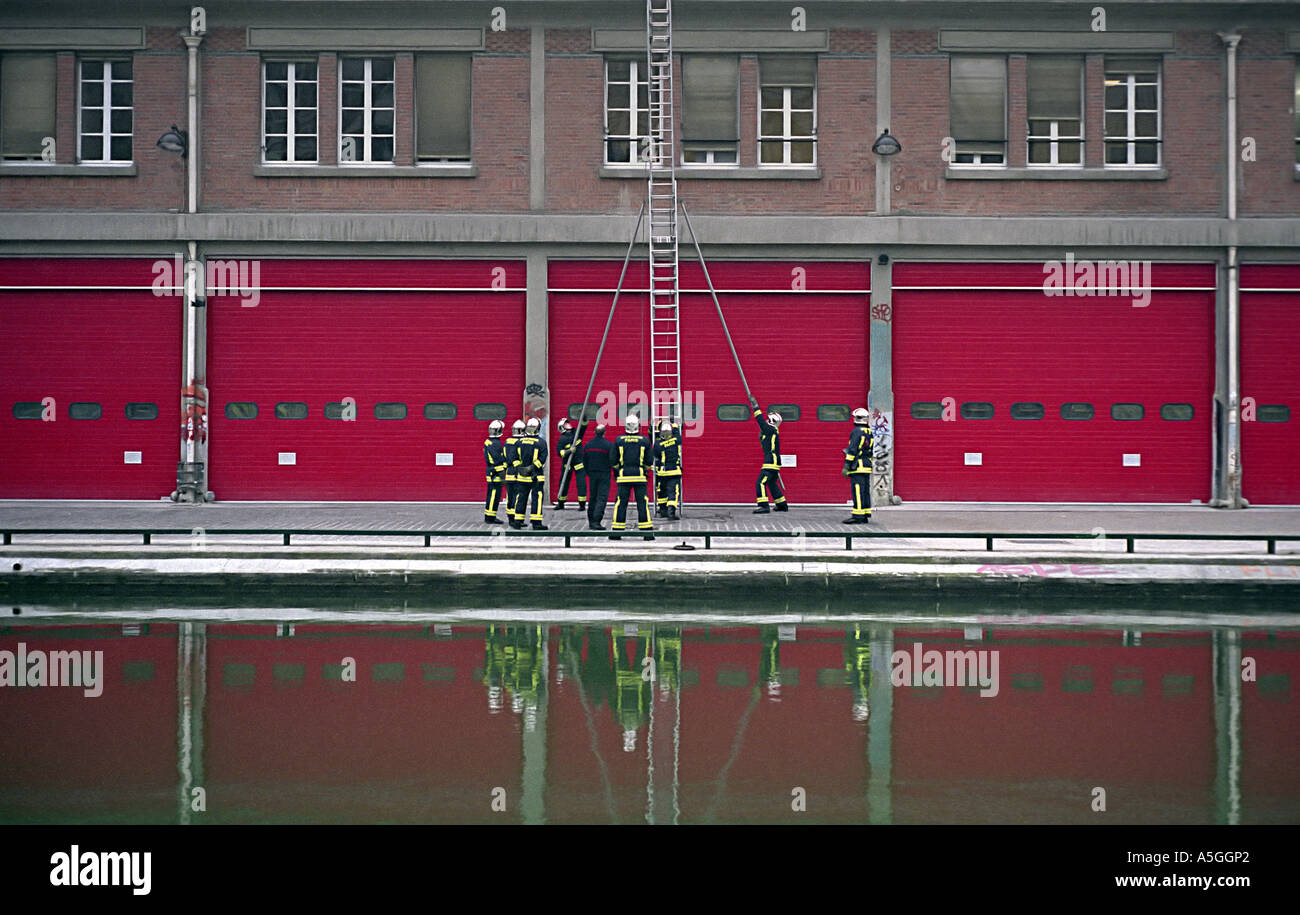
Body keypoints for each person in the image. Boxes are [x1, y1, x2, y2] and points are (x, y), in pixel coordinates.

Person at [611, 415, 654, 540]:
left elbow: (613, 460)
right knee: (643, 503)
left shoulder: (619, 440)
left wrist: (618, 470)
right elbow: (649, 461)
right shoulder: (644, 440)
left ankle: (617, 531)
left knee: (620, 503)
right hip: (640, 477)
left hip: (623, 477)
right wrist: (644, 470)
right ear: (638, 425)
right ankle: (646, 532)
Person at [750, 397, 788, 513]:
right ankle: (782, 504)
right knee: (771, 483)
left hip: (771, 462)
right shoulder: (771, 432)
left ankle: (764, 506)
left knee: (761, 482)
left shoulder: (770, 429)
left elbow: (760, 421)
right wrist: (761, 436)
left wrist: (755, 407)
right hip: (774, 462)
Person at [513, 417, 548, 530]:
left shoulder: (519, 442)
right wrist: (532, 467)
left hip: (522, 477)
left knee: (521, 498)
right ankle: (536, 522)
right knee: (537, 499)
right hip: (536, 476)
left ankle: (517, 521)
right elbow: (542, 458)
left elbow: (514, 458)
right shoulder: (541, 442)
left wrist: (520, 468)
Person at [581, 423, 616, 530]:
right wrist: (615, 473)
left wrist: (588, 472)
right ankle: (596, 521)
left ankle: (591, 520)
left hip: (592, 474)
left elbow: (584, 461)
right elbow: (613, 460)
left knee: (593, 497)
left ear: (594, 432)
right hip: (604, 474)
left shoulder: (588, 445)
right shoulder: (609, 445)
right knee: (601, 498)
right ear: (604, 433)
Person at [843, 407, 874, 524]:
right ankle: (865, 513)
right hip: (866, 465)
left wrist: (847, 465)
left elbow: (852, 450)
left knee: (857, 490)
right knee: (865, 491)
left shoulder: (856, 432)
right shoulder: (869, 431)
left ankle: (858, 516)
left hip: (857, 466)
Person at [554, 417, 589, 511]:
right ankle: (561, 503)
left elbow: (583, 428)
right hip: (567, 465)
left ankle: (582, 504)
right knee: (564, 483)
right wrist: (569, 451)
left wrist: (584, 419)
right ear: (562, 427)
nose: (568, 424)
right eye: (565, 424)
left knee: (581, 484)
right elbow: (560, 452)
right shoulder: (562, 439)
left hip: (578, 464)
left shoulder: (576, 434)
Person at [652, 420, 682, 520]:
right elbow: (677, 432)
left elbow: (655, 455)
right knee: (673, 491)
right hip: (674, 471)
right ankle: (671, 512)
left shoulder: (657, 444)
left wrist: (659, 424)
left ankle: (663, 510)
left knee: (661, 491)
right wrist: (673, 424)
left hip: (662, 472)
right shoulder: (677, 439)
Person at [482, 419, 507, 524]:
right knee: (494, 496)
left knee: (491, 495)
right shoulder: (496, 443)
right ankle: (490, 517)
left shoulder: (488, 441)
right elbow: (497, 460)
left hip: (491, 472)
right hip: (495, 473)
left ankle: (489, 515)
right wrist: (503, 474)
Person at [503, 419, 526, 526]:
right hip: (518, 473)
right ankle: (517, 520)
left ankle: (510, 518)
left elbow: (505, 456)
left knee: (510, 496)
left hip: (509, 473)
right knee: (518, 497)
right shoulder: (522, 442)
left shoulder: (507, 441)